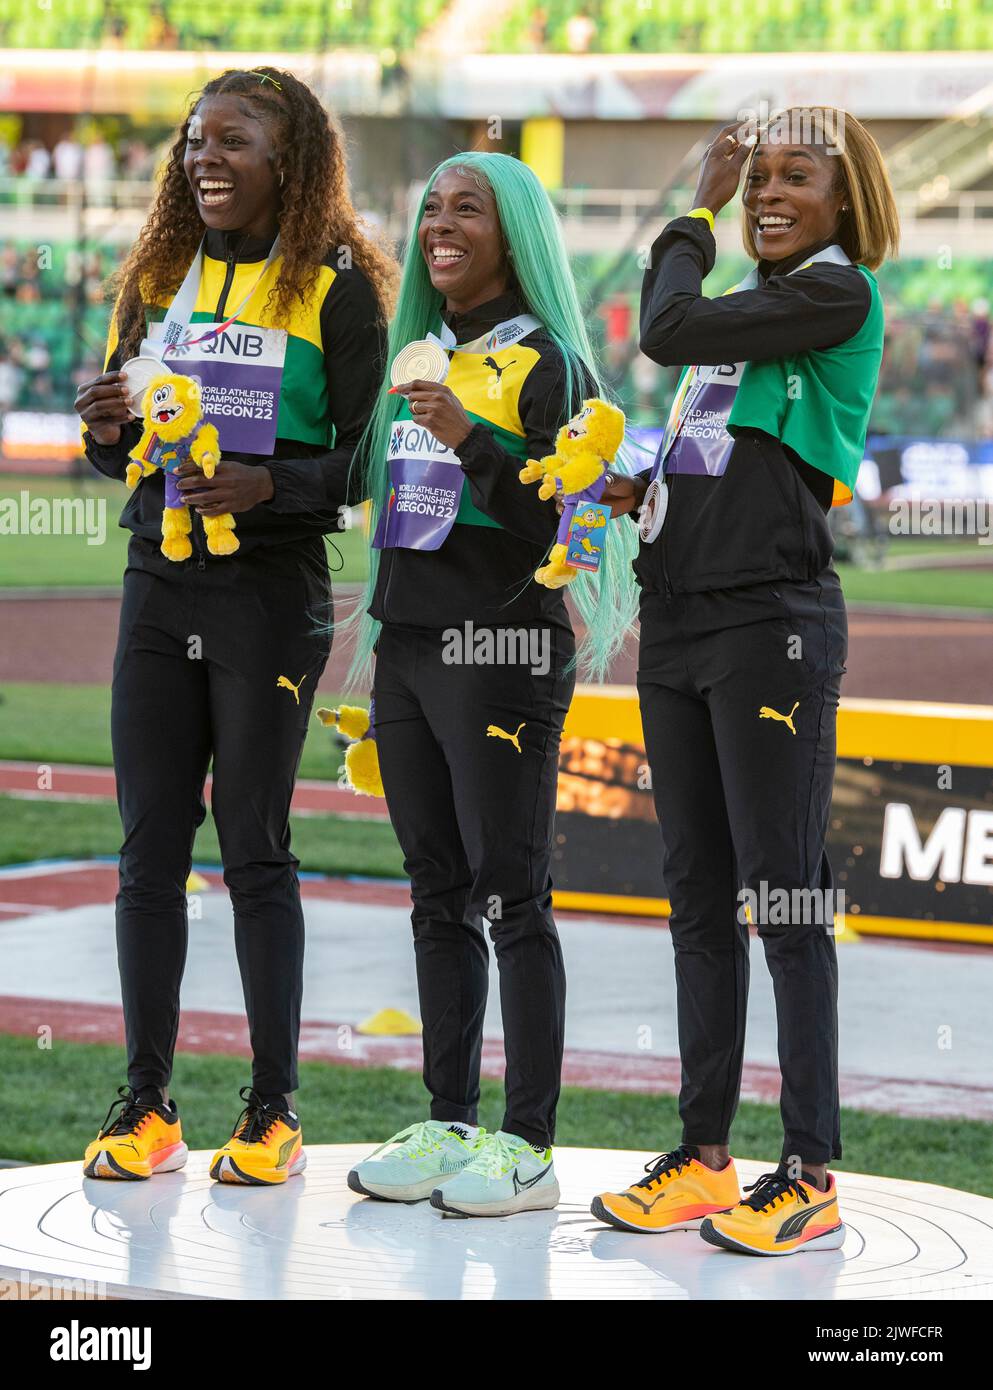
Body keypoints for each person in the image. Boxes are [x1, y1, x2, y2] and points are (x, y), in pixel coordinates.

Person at [74, 66, 395, 1186]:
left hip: (270, 595)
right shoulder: (161, 274)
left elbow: (368, 458)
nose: (205, 159)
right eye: (194, 141)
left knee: (254, 846)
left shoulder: (339, 288)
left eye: (233, 141)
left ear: (290, 160)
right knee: (148, 851)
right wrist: (105, 427)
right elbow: (125, 441)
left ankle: (273, 1110)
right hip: (159, 581)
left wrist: (270, 489)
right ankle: (147, 1104)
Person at [591, 108, 898, 1254]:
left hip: (770, 624)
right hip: (678, 623)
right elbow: (708, 422)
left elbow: (664, 323)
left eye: (793, 176)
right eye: (756, 175)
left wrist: (697, 206)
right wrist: (640, 488)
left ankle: (810, 1169)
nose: (768, 190)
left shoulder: (839, 291)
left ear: (843, 201)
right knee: (697, 891)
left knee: (784, 896)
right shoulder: (743, 331)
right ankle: (706, 1157)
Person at [346, 151, 636, 1218]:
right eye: (430, 208)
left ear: (514, 233)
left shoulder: (551, 362)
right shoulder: (416, 350)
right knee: (435, 893)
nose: (440, 225)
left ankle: (529, 1142)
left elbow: (569, 521)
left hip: (502, 653)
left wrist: (473, 438)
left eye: (467, 208)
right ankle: (448, 1117)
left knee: (512, 894)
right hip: (410, 646)